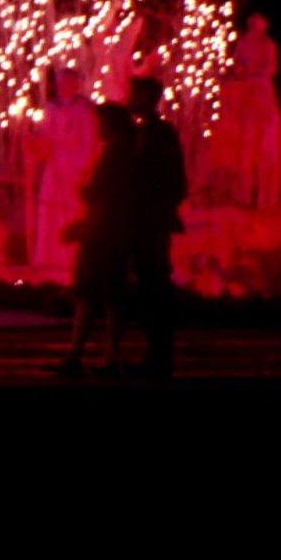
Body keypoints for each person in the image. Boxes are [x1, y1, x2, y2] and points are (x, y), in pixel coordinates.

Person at [103, 74, 190, 375]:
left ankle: (160, 356)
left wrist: (158, 210)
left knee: (155, 287)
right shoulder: (136, 133)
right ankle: (154, 355)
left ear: (147, 98)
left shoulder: (161, 134)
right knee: (146, 287)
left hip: (151, 224)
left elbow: (175, 180)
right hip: (137, 222)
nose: (128, 98)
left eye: (134, 93)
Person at [60, 99, 137, 372]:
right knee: (110, 296)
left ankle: (79, 355)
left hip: (101, 235)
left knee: (88, 294)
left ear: (111, 125)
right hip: (109, 232)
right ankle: (107, 355)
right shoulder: (126, 152)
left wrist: (82, 189)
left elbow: (97, 193)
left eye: (99, 123)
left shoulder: (115, 154)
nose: (95, 128)